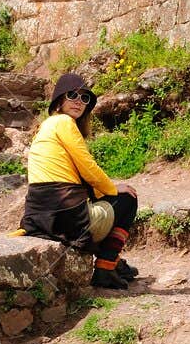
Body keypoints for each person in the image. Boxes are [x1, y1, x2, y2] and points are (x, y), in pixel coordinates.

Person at [21, 72, 139, 289]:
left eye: (85, 98)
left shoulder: (48, 126)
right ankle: (106, 267)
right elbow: (88, 167)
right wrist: (113, 188)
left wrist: (104, 191)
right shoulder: (64, 122)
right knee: (127, 199)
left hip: (42, 218)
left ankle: (114, 261)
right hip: (65, 218)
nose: (79, 101)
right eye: (73, 95)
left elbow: (81, 178)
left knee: (100, 198)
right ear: (59, 100)